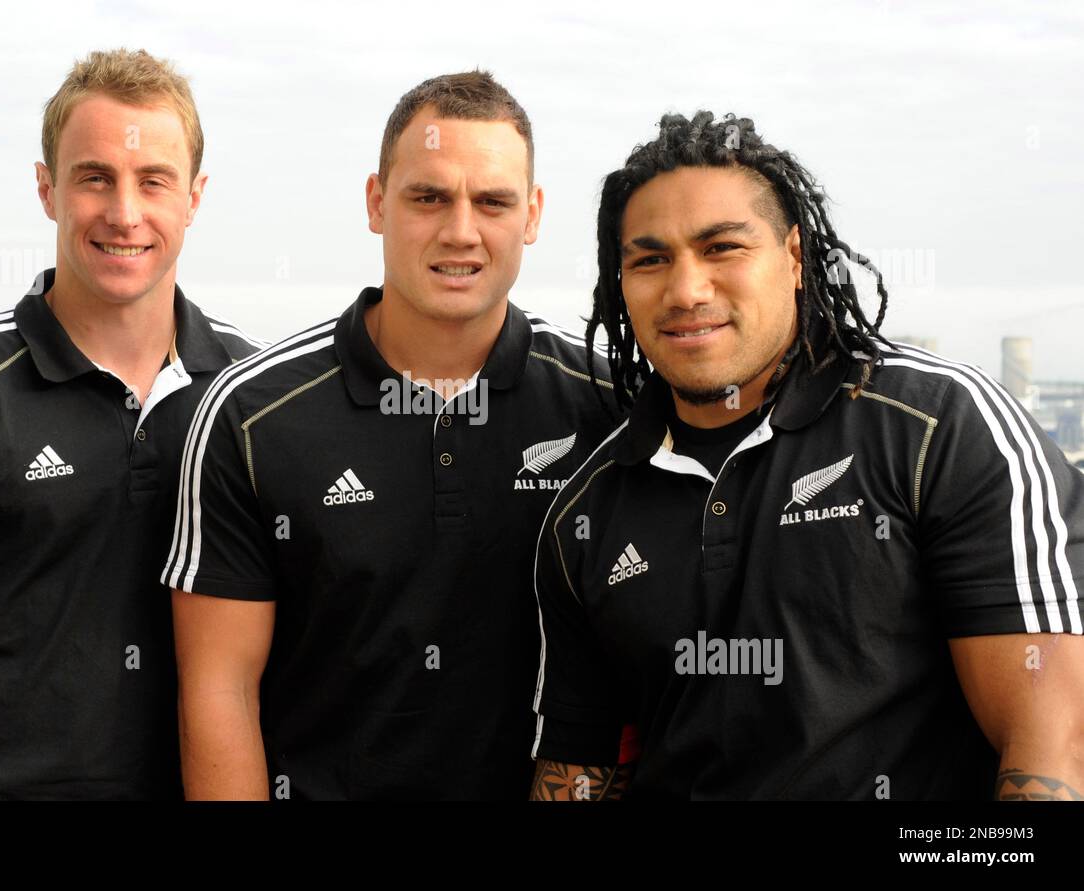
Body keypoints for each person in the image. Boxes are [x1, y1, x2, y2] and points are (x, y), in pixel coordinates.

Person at [530, 111, 1084, 801]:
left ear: (793, 258)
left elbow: (1052, 750)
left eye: (722, 247)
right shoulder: (587, 512)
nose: (686, 290)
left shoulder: (940, 427)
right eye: (650, 259)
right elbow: (583, 770)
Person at [165, 71, 618, 800]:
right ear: (377, 202)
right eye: (429, 196)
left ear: (532, 214)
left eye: (493, 201)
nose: (460, 230)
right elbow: (220, 689)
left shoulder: (605, 407)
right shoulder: (250, 416)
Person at [0, 48, 262, 800]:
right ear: (46, 189)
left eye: (152, 181)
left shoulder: (251, 394)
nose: (124, 213)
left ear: (193, 197)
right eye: (95, 178)